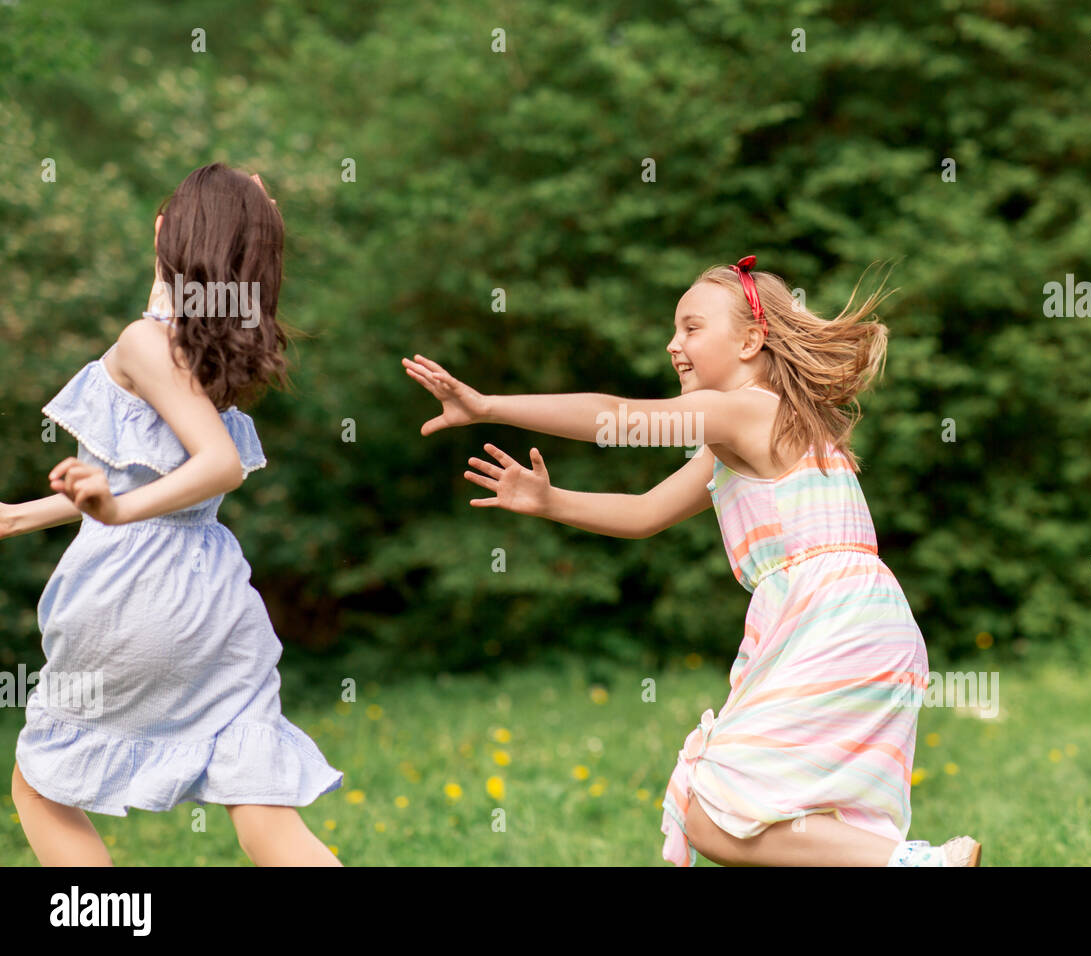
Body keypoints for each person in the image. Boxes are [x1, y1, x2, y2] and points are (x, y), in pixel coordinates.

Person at [402, 254, 980, 866]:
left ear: (752, 340)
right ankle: (907, 862)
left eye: (692, 328)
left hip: (833, 617)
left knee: (715, 812)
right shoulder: (743, 435)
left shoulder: (747, 409)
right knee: (776, 817)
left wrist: (490, 406)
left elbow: (616, 421)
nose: (673, 344)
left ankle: (918, 863)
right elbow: (645, 512)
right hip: (854, 617)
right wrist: (550, 500)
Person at [1, 163, 343, 866]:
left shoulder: (145, 343)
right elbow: (144, 479)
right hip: (217, 603)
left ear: (166, 231)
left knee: (39, 792)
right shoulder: (212, 354)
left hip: (131, 594)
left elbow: (212, 467)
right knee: (266, 815)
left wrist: (116, 511)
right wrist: (18, 517)